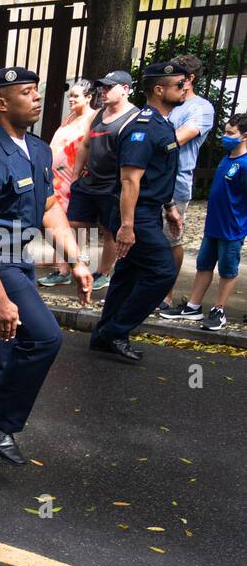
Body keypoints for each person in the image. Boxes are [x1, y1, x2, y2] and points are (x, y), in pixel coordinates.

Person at [0, 67, 91, 464]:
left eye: (36, 91)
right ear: (1, 104)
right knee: (45, 337)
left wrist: (77, 260)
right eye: (27, 92)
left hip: (20, 257)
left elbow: (49, 208)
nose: (36, 98)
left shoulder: (38, 149)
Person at [88, 61, 185, 362]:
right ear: (159, 89)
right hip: (135, 214)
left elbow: (157, 174)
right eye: (179, 85)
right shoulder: (143, 128)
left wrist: (169, 207)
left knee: (128, 275)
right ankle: (115, 331)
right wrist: (127, 226)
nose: (185, 89)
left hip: (148, 210)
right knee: (162, 271)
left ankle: (104, 334)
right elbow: (130, 180)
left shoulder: (162, 123)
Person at [157, 53, 218, 320]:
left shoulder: (200, 108)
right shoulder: (166, 101)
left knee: (171, 240)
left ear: (190, 79)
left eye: (178, 76)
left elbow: (176, 140)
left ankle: (166, 295)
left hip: (175, 183)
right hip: (150, 179)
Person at [170, 113, 245, 331]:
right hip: (213, 226)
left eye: (231, 133)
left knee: (227, 270)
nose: (225, 137)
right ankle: (193, 305)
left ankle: (219, 310)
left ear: (245, 136)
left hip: (232, 229)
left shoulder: (245, 164)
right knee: (204, 265)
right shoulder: (227, 158)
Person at [66, 70, 139, 292]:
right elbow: (86, 145)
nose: (103, 91)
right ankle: (79, 262)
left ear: (125, 89)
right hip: (90, 182)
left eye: (109, 87)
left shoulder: (134, 117)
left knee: (109, 231)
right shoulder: (99, 114)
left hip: (113, 185)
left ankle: (104, 272)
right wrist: (76, 174)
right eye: (103, 87)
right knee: (73, 224)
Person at [36, 79, 98, 287]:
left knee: (67, 222)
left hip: (73, 176)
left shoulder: (92, 118)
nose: (71, 100)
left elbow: (89, 148)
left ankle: (64, 268)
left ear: (89, 98)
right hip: (55, 176)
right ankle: (62, 260)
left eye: (76, 96)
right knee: (52, 220)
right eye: (70, 96)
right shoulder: (71, 116)